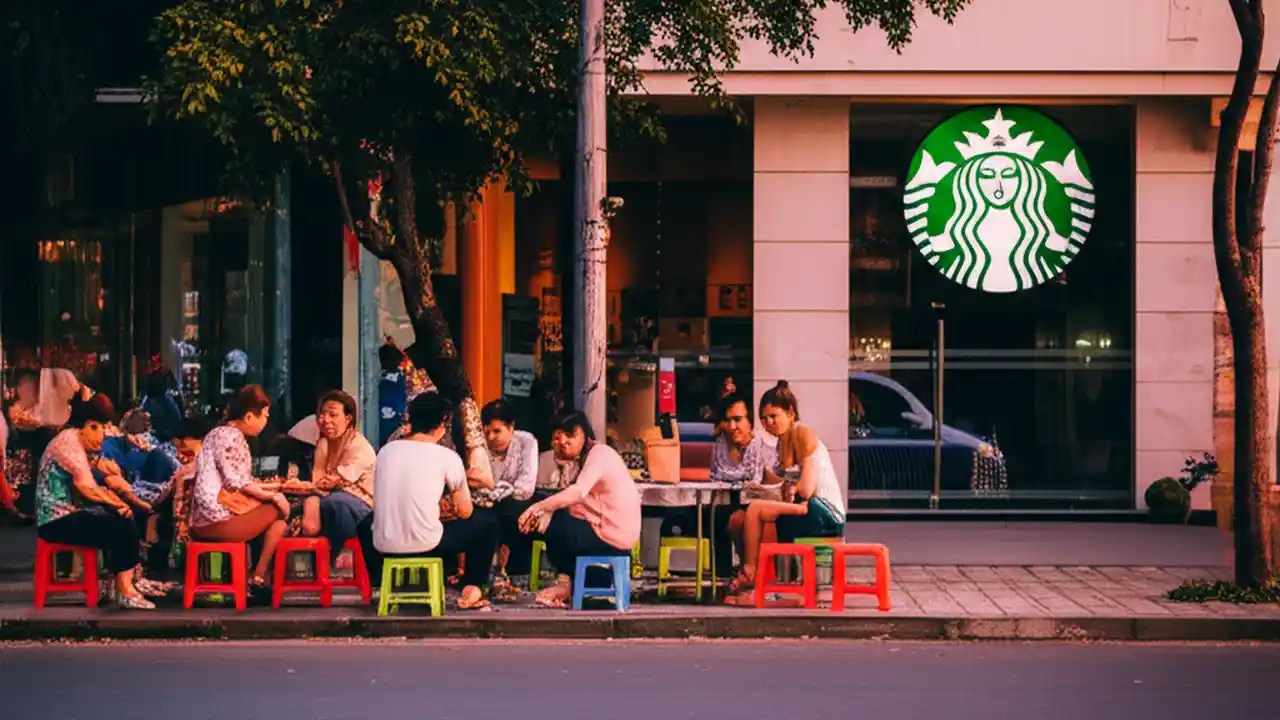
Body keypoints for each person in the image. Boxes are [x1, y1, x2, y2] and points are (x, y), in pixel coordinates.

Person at [356, 393, 498, 610]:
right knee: (487, 522)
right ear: (443, 422)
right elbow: (465, 511)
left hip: (383, 546)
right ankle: (474, 586)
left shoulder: (385, 451)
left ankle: (378, 583)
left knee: (367, 522)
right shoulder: (447, 456)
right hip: (428, 545)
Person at [35, 393, 162, 609]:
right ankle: (125, 590)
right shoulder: (69, 443)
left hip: (72, 512)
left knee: (128, 515)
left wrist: (133, 502)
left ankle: (130, 579)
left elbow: (108, 478)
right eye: (99, 429)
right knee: (120, 524)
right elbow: (87, 487)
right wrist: (116, 504)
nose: (101, 437)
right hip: (55, 520)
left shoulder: (81, 444)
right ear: (89, 425)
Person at [725, 381, 846, 604]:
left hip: (825, 513)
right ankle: (761, 584)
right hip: (806, 509)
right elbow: (782, 482)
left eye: (773, 416)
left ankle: (755, 581)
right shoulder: (783, 444)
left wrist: (787, 489)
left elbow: (807, 488)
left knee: (757, 512)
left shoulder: (803, 434)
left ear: (790, 412)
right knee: (745, 517)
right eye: (764, 418)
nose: (768, 422)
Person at [517, 411, 641, 609]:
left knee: (549, 522)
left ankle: (526, 576)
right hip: (602, 535)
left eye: (570, 436)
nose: (563, 442)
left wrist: (540, 507)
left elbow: (577, 492)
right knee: (550, 517)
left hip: (609, 538)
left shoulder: (600, 454)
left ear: (585, 435)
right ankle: (571, 586)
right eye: (557, 437)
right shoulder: (578, 461)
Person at [188, 385, 290, 588]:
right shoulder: (231, 436)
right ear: (250, 417)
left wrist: (269, 488)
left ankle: (258, 577)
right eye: (265, 415)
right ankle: (259, 577)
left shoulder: (218, 434)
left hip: (205, 518)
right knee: (280, 509)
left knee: (279, 524)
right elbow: (236, 481)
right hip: (215, 520)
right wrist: (274, 496)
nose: (266, 421)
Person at [295, 391, 376, 561]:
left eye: (333, 415)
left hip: (362, 508)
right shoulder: (324, 443)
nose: (325, 420)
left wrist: (312, 496)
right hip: (328, 497)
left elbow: (330, 483)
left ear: (348, 418)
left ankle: (335, 560)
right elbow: (318, 482)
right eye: (322, 414)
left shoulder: (359, 446)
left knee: (334, 503)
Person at [476, 399, 539, 596]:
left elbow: (526, 486)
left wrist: (499, 490)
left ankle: (516, 573)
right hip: (485, 502)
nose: (491, 437)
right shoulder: (477, 445)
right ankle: (480, 576)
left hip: (516, 503)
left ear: (511, 428)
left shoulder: (527, 442)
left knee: (516, 513)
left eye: (497, 431)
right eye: (486, 432)